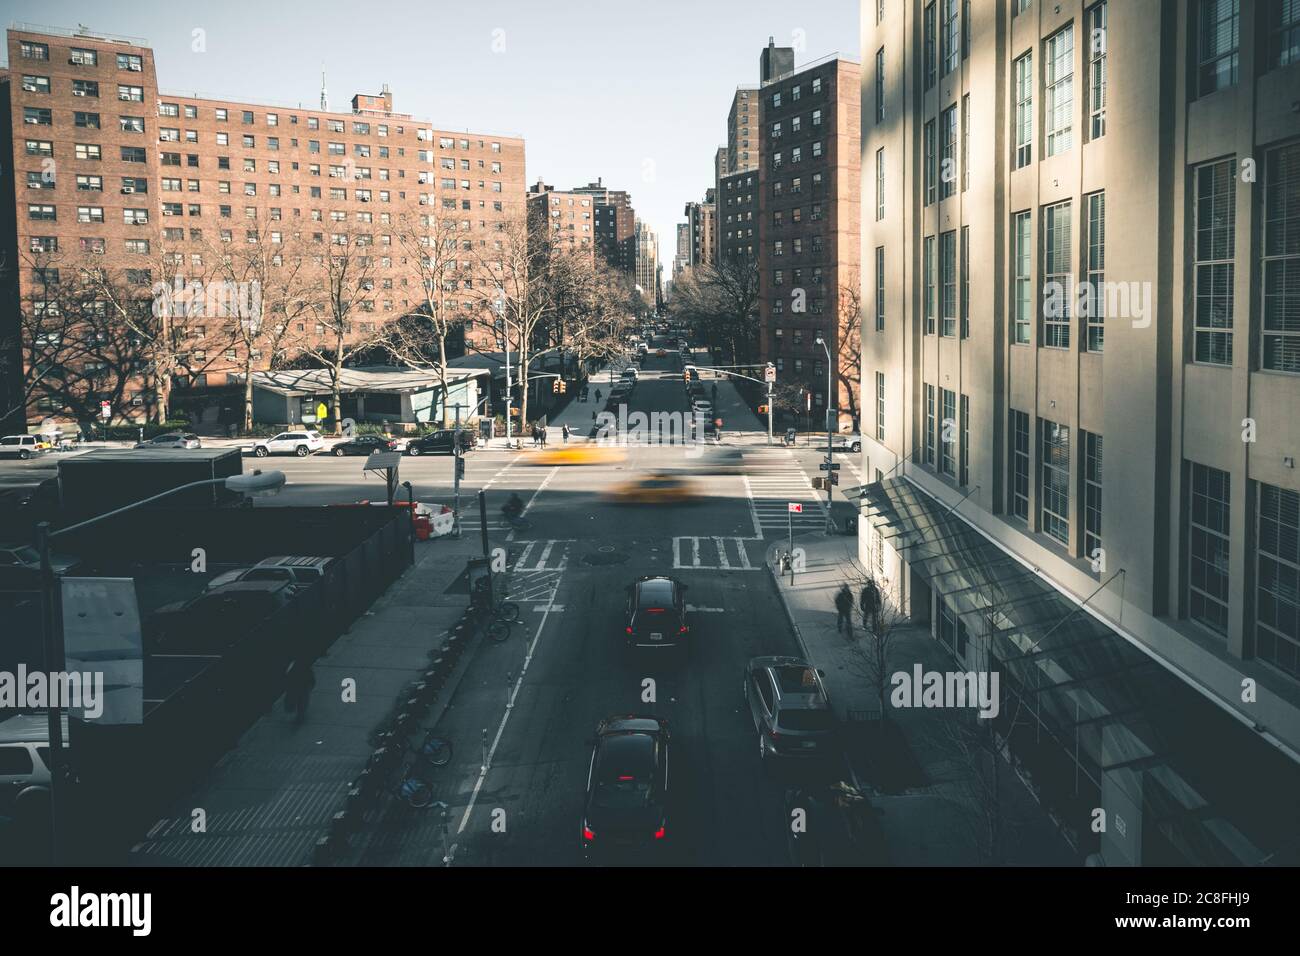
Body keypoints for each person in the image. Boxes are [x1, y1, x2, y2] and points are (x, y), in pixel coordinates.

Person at [284, 655, 316, 724]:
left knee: (301, 701)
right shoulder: (302, 664)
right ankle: (299, 715)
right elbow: (310, 674)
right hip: (301, 686)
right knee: (302, 701)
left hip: (300, 685)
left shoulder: (299, 665)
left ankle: (299, 715)